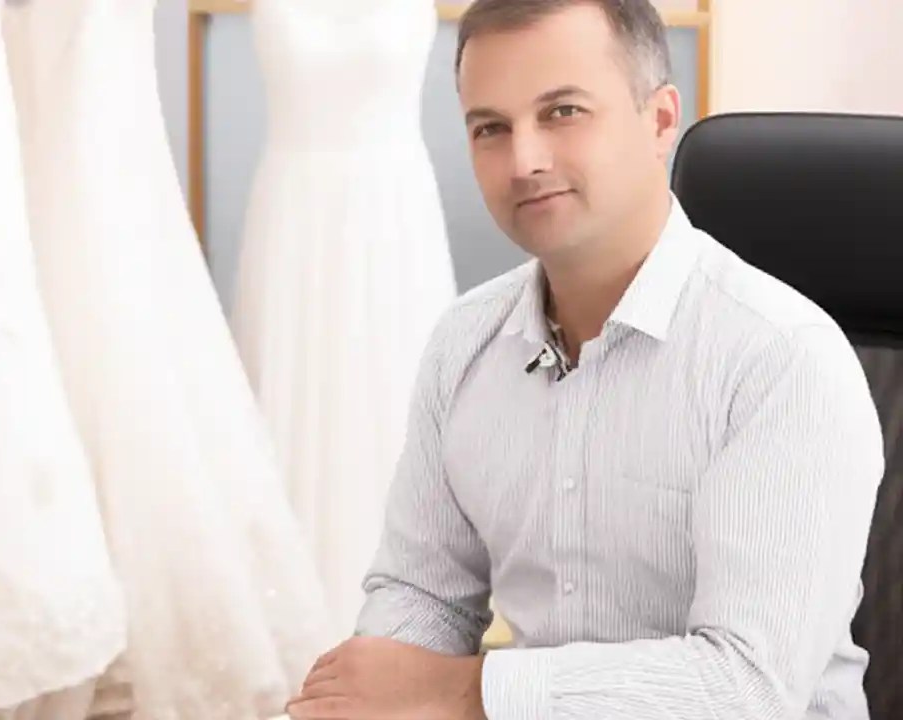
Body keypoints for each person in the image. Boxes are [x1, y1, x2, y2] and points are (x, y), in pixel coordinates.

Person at [286, 1, 884, 718]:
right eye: (490, 129)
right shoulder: (463, 345)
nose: (524, 160)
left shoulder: (782, 361)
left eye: (562, 112)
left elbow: (745, 687)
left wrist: (467, 692)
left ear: (660, 120)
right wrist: (370, 694)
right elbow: (423, 592)